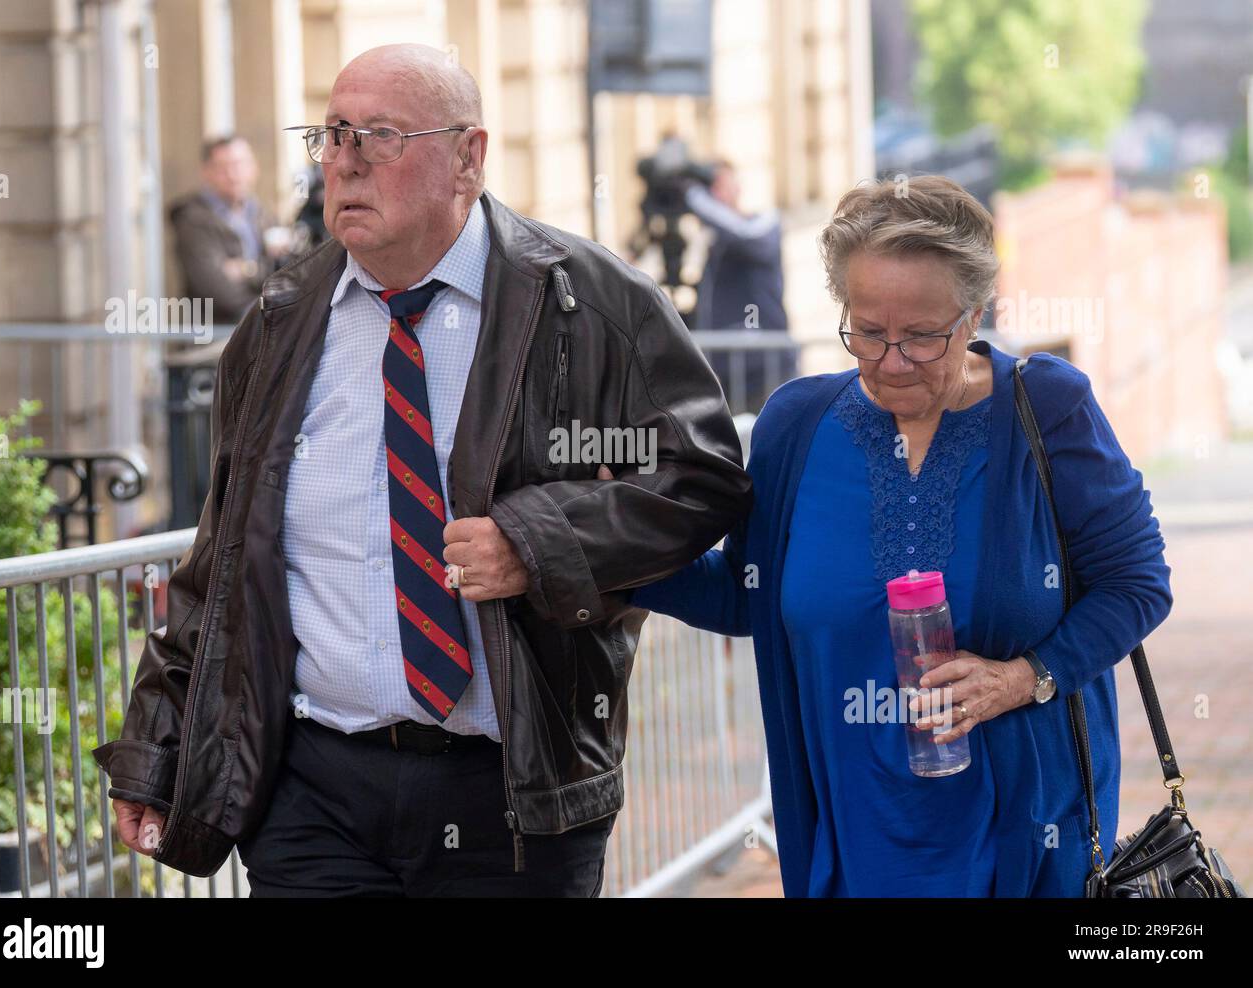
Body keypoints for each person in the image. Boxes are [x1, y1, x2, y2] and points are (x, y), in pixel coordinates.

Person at [93, 43, 750, 897]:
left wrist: (536, 541)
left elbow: (700, 477)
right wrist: (158, 748)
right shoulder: (280, 324)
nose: (344, 161)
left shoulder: (589, 304)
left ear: (468, 158)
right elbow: (222, 564)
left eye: (379, 137)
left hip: (513, 794)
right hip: (311, 793)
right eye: (331, 135)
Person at [633, 174, 1173, 897]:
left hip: (1024, 835)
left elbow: (1137, 583)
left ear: (975, 310)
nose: (891, 361)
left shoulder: (1046, 408)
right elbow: (745, 594)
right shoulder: (796, 427)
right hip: (856, 837)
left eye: (922, 336)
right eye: (868, 331)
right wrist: (608, 540)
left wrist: (1023, 677)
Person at [686, 159, 796, 411]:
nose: (710, 196)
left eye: (717, 186)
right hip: (724, 377)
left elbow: (745, 234)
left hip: (766, 371)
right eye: (707, 188)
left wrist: (693, 196)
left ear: (737, 188)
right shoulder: (716, 243)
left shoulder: (762, 225)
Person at [169, 135, 292, 322]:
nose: (234, 175)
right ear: (206, 172)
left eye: (240, 165)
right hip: (213, 337)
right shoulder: (192, 220)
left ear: (254, 168)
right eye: (224, 167)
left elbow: (289, 274)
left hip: (261, 331)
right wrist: (271, 296)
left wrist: (245, 269)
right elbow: (219, 292)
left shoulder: (263, 215)